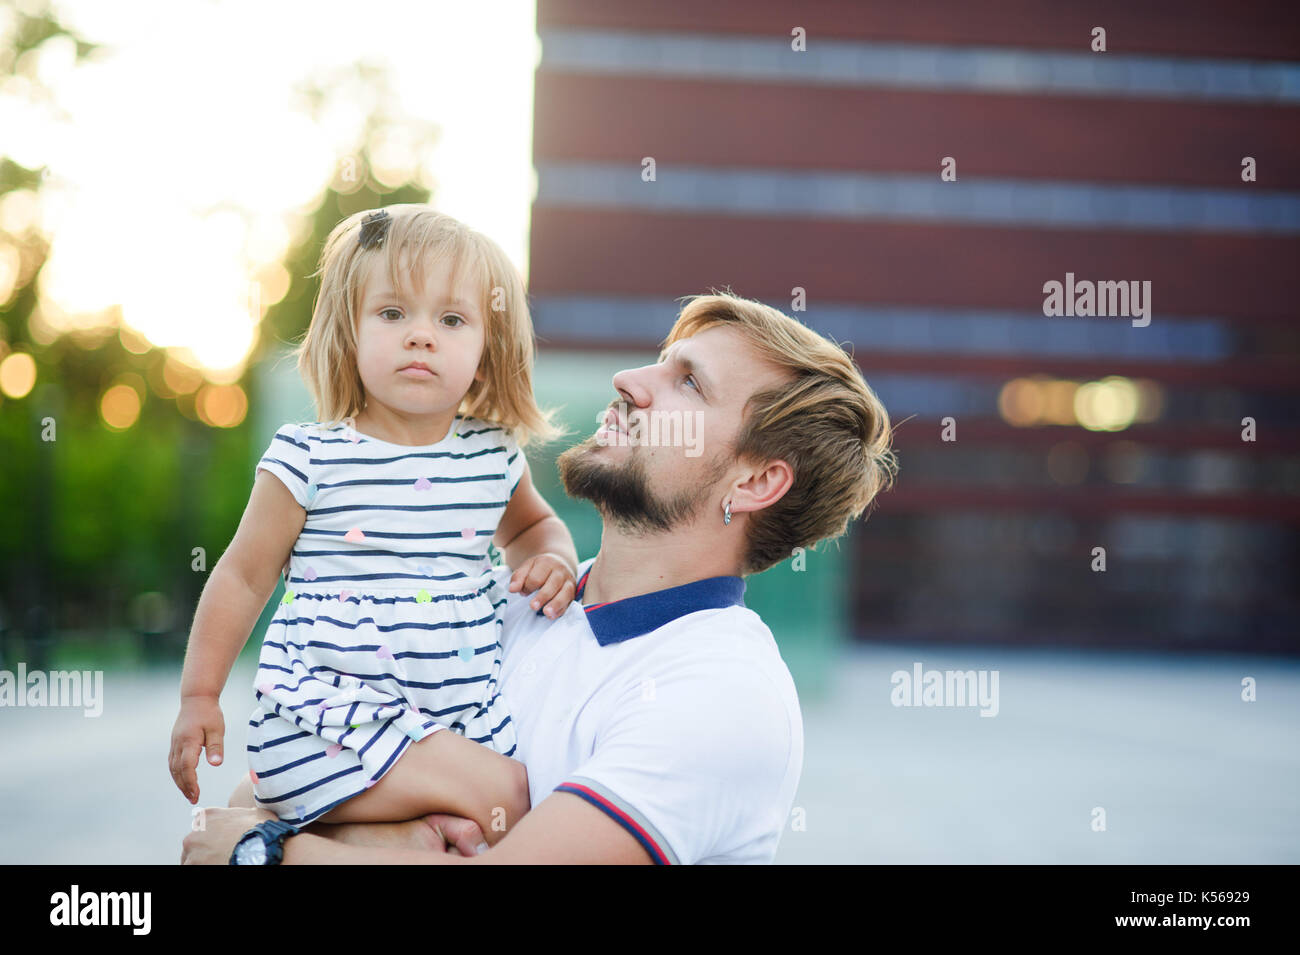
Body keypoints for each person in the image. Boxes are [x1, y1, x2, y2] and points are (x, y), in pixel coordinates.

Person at [182, 291, 897, 864]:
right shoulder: (501, 599)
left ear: (757, 479)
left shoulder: (725, 694)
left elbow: (240, 831)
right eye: (660, 360)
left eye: (687, 382)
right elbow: (283, 769)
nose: (629, 381)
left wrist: (268, 853)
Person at [168, 205, 578, 843]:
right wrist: (200, 696)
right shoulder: (309, 456)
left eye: (451, 319)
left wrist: (552, 556)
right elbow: (244, 577)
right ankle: (382, 821)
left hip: (458, 717)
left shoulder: (492, 455)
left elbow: (533, 529)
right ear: (348, 331)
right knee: (507, 801)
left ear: (486, 348)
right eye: (392, 313)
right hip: (327, 724)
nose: (421, 336)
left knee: (512, 804)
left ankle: (388, 830)